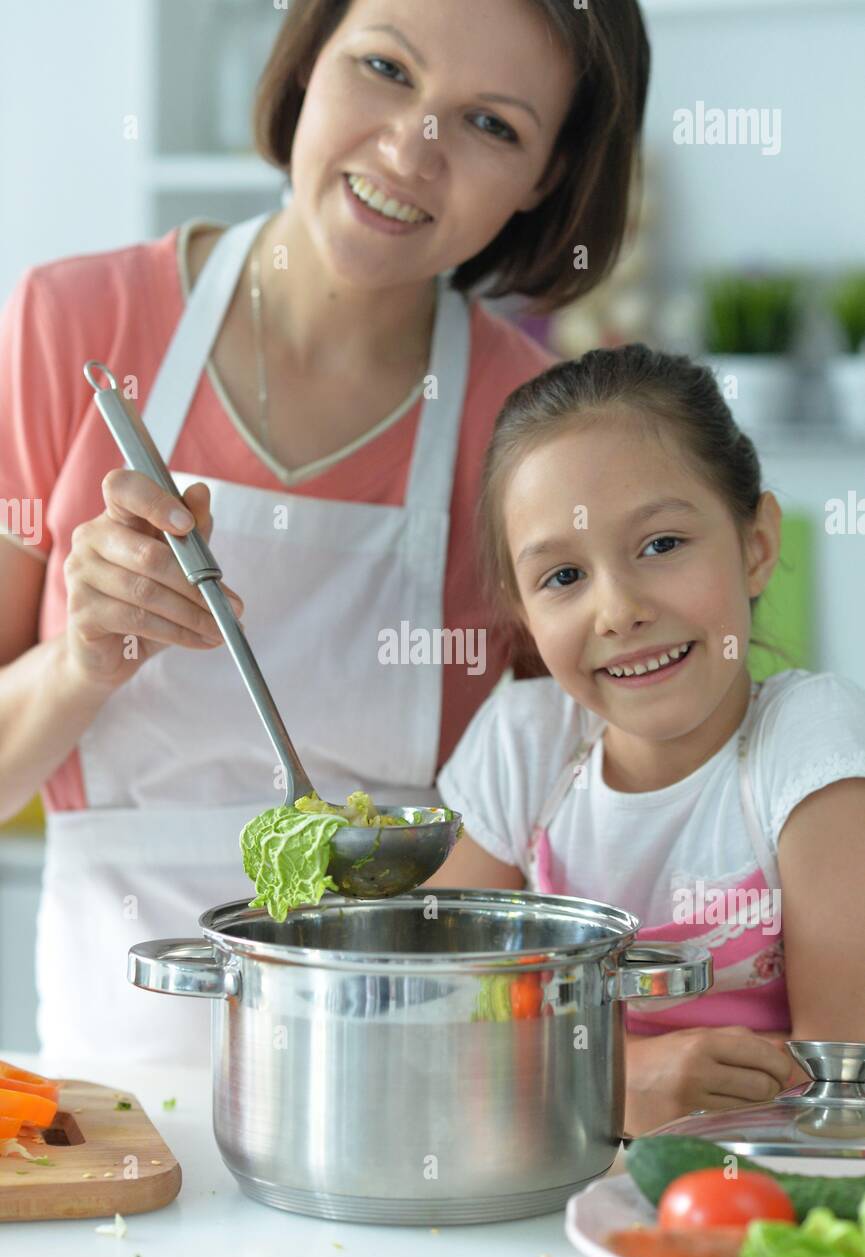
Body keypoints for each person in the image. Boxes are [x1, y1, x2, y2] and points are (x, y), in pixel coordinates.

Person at [0, 0, 651, 1063]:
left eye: (491, 124)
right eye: (385, 67)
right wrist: (79, 661)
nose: (410, 149)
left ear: (548, 175)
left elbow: (586, 808)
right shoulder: (75, 325)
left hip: (403, 1076)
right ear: (306, 58)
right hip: (108, 1089)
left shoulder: (538, 428)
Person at [429, 344, 865, 1135]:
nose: (618, 610)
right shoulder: (523, 747)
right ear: (523, 614)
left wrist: (553, 1076)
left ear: (756, 547)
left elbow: (847, 1092)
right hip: (554, 1204)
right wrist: (620, 1080)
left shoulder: (808, 747)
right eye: (561, 577)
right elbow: (425, 1015)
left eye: (660, 545)